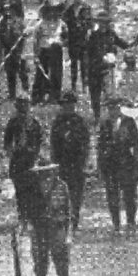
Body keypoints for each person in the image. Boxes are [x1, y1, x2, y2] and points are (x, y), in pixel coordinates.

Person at [97, 96, 138, 230]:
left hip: (127, 165)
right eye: (110, 108)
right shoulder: (104, 124)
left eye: (116, 108)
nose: (113, 111)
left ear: (120, 108)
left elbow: (137, 143)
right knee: (112, 197)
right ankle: (116, 224)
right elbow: (100, 147)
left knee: (129, 195)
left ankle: (131, 222)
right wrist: (101, 166)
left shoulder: (128, 122)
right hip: (110, 166)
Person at [29, 163, 73, 276]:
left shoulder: (61, 186)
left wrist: (68, 234)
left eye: (48, 172)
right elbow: (28, 210)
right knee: (40, 267)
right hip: (39, 230)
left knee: (62, 267)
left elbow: (68, 212)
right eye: (42, 172)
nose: (45, 175)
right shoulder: (32, 188)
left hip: (57, 229)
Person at [50, 90, 91, 230]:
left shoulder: (80, 122)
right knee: (62, 195)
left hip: (77, 165)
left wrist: (85, 163)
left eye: (70, 104)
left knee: (76, 196)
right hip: (62, 165)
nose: (68, 107)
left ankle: (74, 223)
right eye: (65, 104)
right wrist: (54, 164)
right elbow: (53, 145)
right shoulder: (57, 122)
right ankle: (64, 223)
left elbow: (86, 144)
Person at [4, 92, 45, 226]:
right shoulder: (13, 122)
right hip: (18, 161)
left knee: (33, 191)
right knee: (20, 192)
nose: (23, 107)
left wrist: (36, 155)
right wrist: (12, 153)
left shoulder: (34, 123)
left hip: (31, 160)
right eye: (20, 104)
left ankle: (33, 218)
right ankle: (23, 218)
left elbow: (39, 142)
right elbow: (7, 142)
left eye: (25, 104)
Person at [84, 11, 133, 117]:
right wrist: (102, 58)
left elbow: (122, 43)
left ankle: (112, 118)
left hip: (108, 70)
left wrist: (131, 45)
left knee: (110, 95)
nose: (103, 24)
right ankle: (97, 117)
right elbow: (90, 52)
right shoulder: (92, 36)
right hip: (94, 69)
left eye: (105, 22)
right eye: (101, 22)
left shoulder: (111, 34)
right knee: (95, 96)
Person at [0, 0, 30, 100]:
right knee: (9, 69)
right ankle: (12, 94)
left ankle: (25, 89)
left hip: (17, 45)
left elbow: (22, 15)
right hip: (7, 45)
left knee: (21, 66)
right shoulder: (0, 1)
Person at [32, 7, 67, 104]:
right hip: (44, 50)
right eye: (50, 11)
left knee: (56, 73)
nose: (52, 13)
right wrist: (36, 55)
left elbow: (66, 38)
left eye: (55, 11)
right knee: (41, 73)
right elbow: (36, 40)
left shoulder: (62, 24)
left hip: (56, 50)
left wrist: (60, 43)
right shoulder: (40, 24)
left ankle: (55, 95)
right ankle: (39, 95)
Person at [66, 3, 91, 91]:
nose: (86, 14)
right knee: (74, 66)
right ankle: (73, 86)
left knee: (84, 66)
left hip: (84, 45)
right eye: (84, 12)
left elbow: (91, 29)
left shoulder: (88, 21)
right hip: (73, 44)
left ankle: (84, 86)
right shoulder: (72, 17)